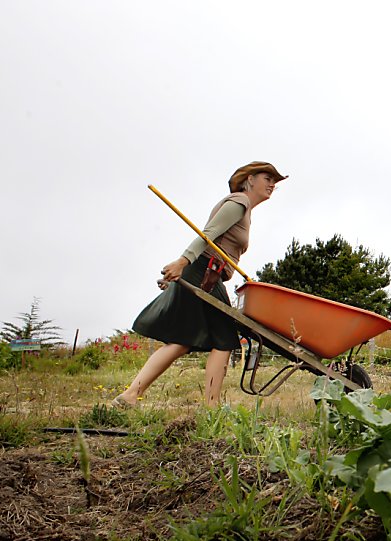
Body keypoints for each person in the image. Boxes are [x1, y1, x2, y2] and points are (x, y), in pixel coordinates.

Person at [115, 162, 287, 407]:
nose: (272, 184)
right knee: (224, 339)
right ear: (249, 179)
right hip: (204, 272)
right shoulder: (239, 203)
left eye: (275, 182)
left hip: (205, 272)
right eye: (267, 177)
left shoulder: (244, 208)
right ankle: (212, 406)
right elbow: (208, 234)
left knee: (181, 341)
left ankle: (130, 395)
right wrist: (182, 262)